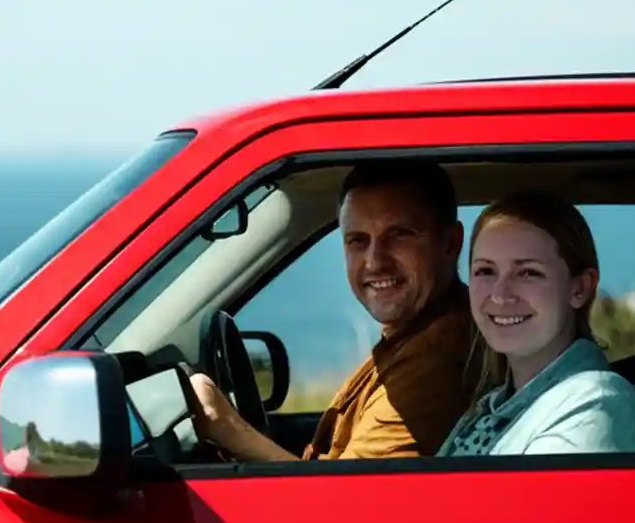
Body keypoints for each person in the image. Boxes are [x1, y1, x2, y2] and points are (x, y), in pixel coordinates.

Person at [190, 160, 481, 461]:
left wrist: (225, 426)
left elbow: (342, 499)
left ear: (450, 243)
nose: (374, 261)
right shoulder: (412, 336)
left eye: (399, 235)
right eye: (358, 240)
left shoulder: (437, 359)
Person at [436, 191, 635, 456]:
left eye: (528, 273)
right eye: (486, 271)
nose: (500, 295)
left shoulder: (595, 404)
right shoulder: (489, 410)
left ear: (580, 288)